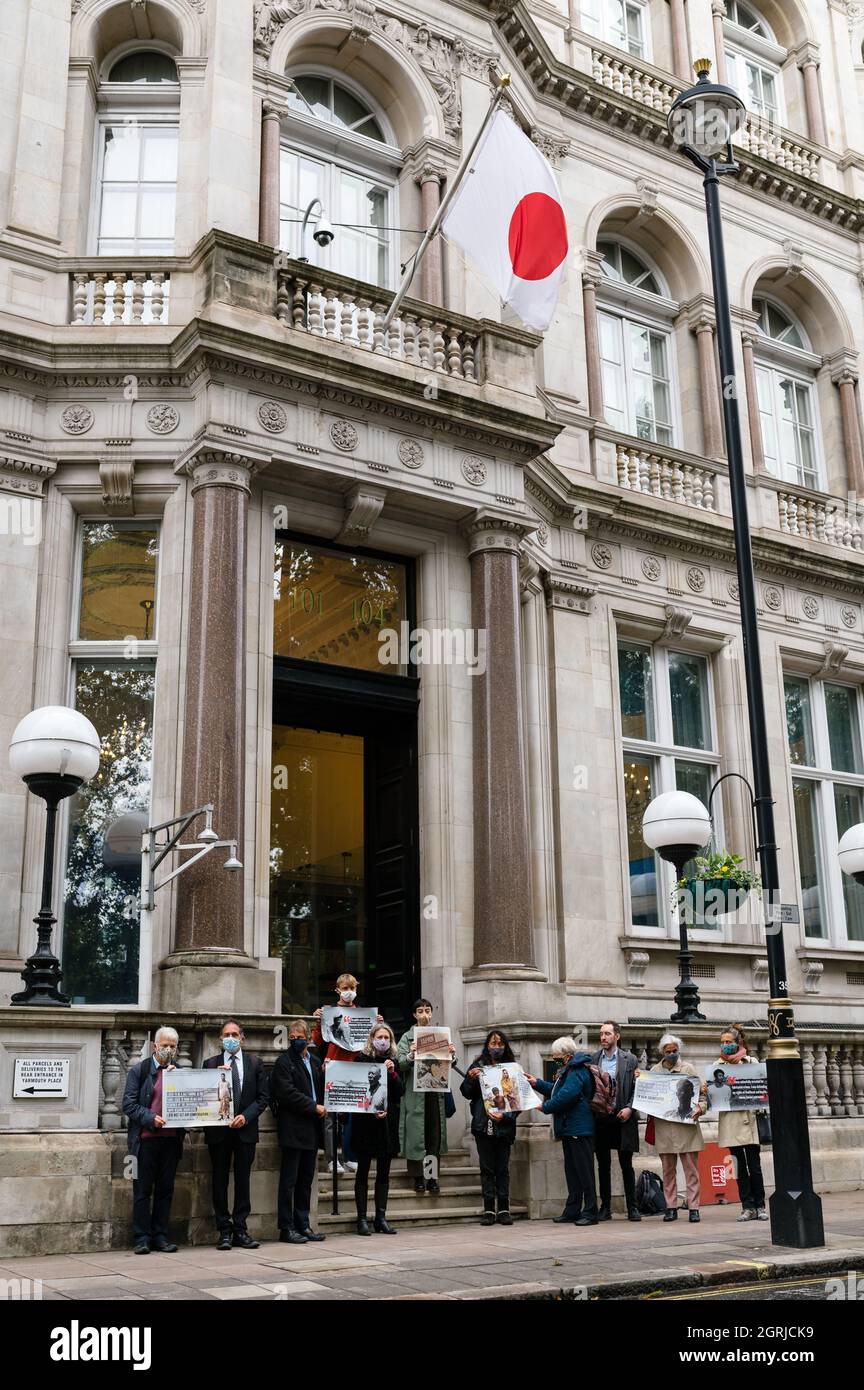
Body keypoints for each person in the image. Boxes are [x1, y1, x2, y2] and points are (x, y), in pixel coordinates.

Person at [202, 1019, 270, 1251]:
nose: (230, 1038)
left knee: (243, 1181)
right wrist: (215, 1080)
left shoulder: (255, 1063)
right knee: (219, 1180)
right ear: (220, 1039)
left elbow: (263, 1097)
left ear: (242, 1038)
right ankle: (223, 1230)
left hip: (245, 1131)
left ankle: (240, 1229)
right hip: (219, 1133)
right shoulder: (210, 1064)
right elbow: (202, 1097)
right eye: (226, 1034)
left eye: (235, 1034)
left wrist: (246, 1116)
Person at [121, 1026, 185, 1255]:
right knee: (142, 1191)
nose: (168, 1050)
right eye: (164, 1045)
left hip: (170, 1141)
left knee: (165, 1190)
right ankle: (141, 1238)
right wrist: (150, 1118)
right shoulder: (139, 1070)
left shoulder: (180, 1072)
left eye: (172, 1046)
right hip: (145, 1141)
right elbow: (128, 1105)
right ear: (154, 1046)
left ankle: (160, 1236)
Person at [312, 972, 379, 1174]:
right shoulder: (330, 1012)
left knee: (354, 1115)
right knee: (331, 1117)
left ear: (356, 990)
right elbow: (317, 1040)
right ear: (338, 990)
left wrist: (378, 1025)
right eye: (345, 988)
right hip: (335, 1067)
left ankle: (350, 1156)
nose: (349, 992)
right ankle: (332, 1159)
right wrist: (318, 1021)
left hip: (357, 1068)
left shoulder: (364, 1015)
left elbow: (373, 1044)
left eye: (352, 988)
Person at [526, 1037, 598, 1226]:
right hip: (570, 1128)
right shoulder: (569, 1070)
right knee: (572, 1172)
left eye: (557, 1057)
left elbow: (568, 1095)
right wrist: (537, 1083)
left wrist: (545, 1106)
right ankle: (573, 1210)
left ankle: (590, 1211)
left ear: (567, 1056)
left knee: (584, 1172)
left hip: (579, 1128)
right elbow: (558, 1090)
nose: (554, 1059)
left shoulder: (577, 1070)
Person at [271, 1019, 327, 1244]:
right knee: (289, 1181)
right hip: (293, 1128)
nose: (296, 1040)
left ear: (309, 1037)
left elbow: (323, 1089)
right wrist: (313, 1106)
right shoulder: (283, 1062)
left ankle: (303, 1224)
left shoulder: (314, 1061)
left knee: (306, 1180)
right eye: (292, 1037)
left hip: (312, 1130)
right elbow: (286, 1093)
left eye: (299, 1037)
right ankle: (286, 1227)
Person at [396, 998, 456, 1194]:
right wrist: (411, 1055)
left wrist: (451, 1054)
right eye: (420, 1011)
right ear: (414, 1015)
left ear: (431, 1013)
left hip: (434, 1093)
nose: (424, 1014)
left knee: (433, 1137)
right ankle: (417, 1177)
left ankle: (431, 1177)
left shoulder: (439, 1035)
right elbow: (400, 1063)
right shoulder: (407, 1037)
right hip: (415, 1094)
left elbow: (448, 1064)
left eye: (427, 1011)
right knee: (416, 1135)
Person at [461, 1029, 518, 1226]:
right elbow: (466, 1093)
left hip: (504, 1126)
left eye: (500, 1044)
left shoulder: (512, 1068)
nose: (496, 1048)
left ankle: (503, 1208)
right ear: (487, 1045)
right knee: (486, 1168)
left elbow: (517, 1099)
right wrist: (470, 1077)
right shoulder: (478, 1065)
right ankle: (488, 1209)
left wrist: (506, 1116)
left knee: (502, 1168)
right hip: (483, 1125)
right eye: (493, 1044)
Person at [649, 1033, 707, 1224]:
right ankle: (671, 1207)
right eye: (668, 1051)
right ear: (662, 1053)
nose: (672, 1054)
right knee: (668, 1171)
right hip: (664, 1128)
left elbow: (702, 1096)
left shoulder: (688, 1068)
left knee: (691, 1170)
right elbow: (647, 1098)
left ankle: (694, 1208)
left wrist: (701, 1108)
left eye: (675, 1051)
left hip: (686, 1127)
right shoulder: (654, 1071)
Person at [352, 1023, 403, 1235]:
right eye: (379, 1036)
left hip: (386, 1124)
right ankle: (362, 1218)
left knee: (384, 1172)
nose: (383, 1040)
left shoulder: (394, 1062)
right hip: (366, 1123)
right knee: (363, 1171)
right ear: (372, 1038)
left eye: (387, 1037)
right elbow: (356, 1090)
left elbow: (399, 1091)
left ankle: (381, 1217)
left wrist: (392, 1074)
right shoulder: (361, 1060)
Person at [713, 1025, 767, 1222]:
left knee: (755, 1166)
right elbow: (714, 1097)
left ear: (738, 1043)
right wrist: (707, 1089)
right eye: (723, 1042)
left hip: (750, 1121)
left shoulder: (751, 1062)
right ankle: (747, 1206)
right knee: (738, 1167)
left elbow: (763, 1088)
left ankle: (760, 1205)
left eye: (729, 1042)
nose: (725, 1045)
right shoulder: (717, 1067)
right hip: (731, 1123)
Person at [591, 1020, 641, 1222]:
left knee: (626, 1164)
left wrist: (630, 1108)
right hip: (601, 1117)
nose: (603, 1037)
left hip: (623, 1117)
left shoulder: (630, 1059)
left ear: (617, 1036)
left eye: (607, 1034)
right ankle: (606, 1207)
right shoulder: (594, 1059)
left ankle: (632, 1207)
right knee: (603, 1164)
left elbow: (638, 1087)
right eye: (601, 1034)